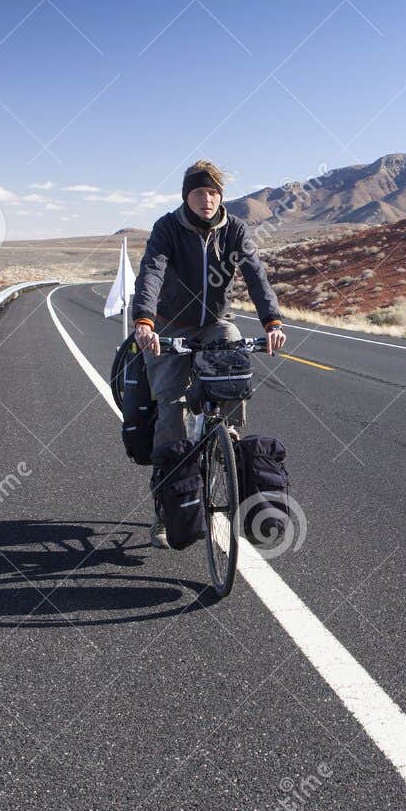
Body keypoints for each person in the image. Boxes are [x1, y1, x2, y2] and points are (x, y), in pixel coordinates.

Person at [131, 160, 287, 546]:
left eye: (214, 193)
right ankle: (167, 508)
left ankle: (228, 437)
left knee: (233, 353)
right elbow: (152, 271)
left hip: (216, 321)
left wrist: (272, 322)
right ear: (187, 195)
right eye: (200, 192)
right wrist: (145, 321)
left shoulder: (234, 229)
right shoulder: (168, 228)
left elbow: (255, 275)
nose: (208, 200)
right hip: (169, 324)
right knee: (171, 408)